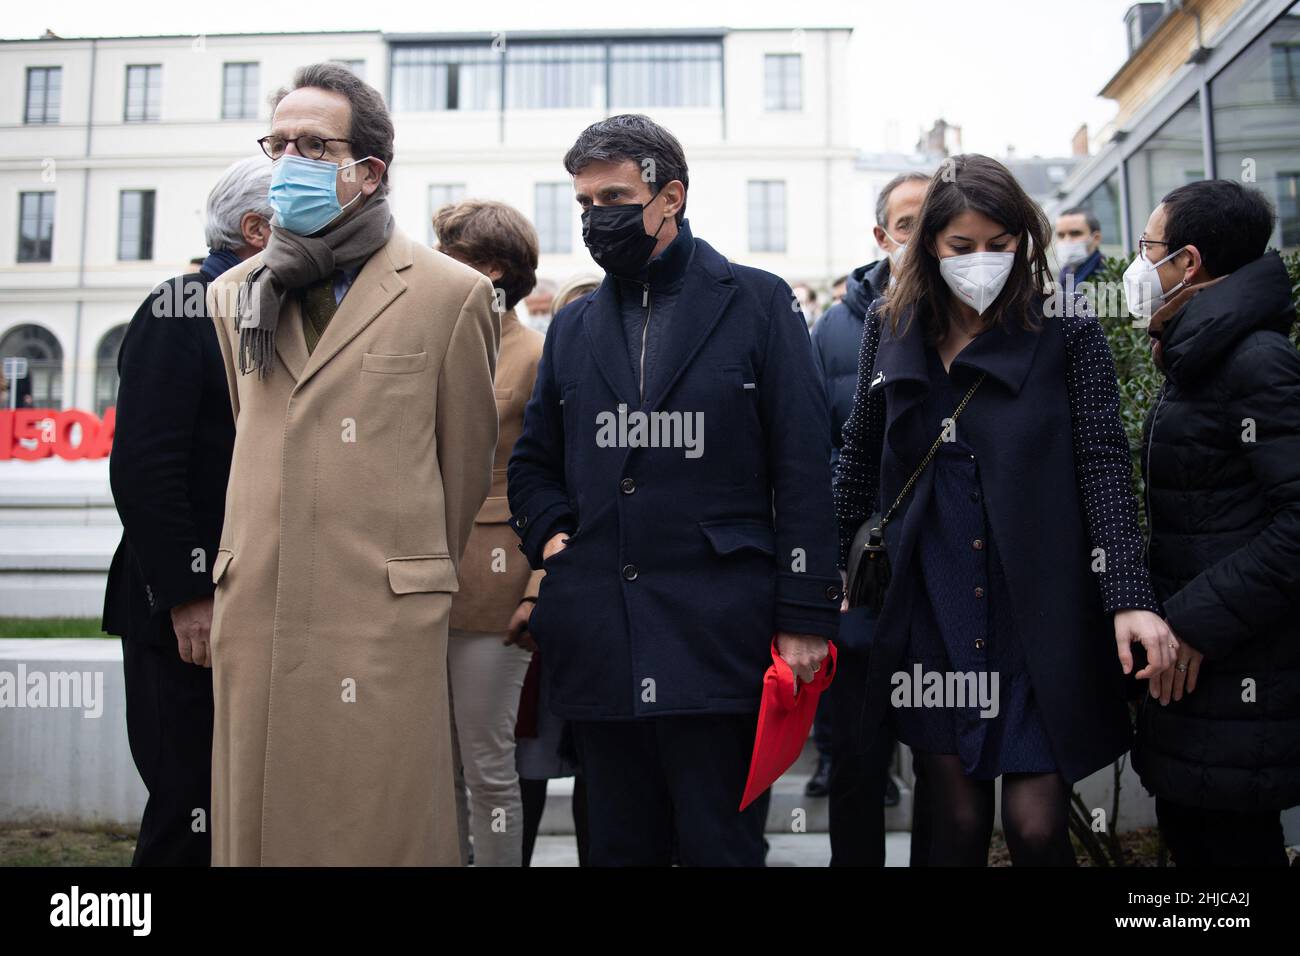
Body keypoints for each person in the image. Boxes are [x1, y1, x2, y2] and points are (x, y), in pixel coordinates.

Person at [508, 113, 841, 866]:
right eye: (586, 203)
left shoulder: (759, 303)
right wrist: (558, 539)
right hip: (601, 635)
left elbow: (802, 464)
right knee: (617, 849)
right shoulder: (574, 324)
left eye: (615, 196)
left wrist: (805, 611)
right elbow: (532, 464)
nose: (599, 217)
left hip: (720, 633)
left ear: (671, 196)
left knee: (720, 847)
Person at [834, 154, 1176, 867]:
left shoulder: (1066, 328)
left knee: (1036, 826)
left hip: (1038, 606)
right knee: (953, 822)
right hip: (931, 600)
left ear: (1025, 239)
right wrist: (824, 579)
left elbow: (1103, 464)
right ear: (929, 243)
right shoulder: (889, 325)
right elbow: (860, 458)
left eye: (1001, 242)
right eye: (963, 246)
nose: (983, 260)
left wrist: (1128, 598)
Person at [204, 62, 500, 866]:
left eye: (314, 144)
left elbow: (464, 466)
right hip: (259, 607)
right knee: (259, 826)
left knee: (379, 824)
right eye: (280, 143)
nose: (290, 161)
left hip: (380, 614)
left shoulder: (452, 295)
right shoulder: (235, 295)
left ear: (367, 171)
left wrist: (406, 568)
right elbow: (254, 435)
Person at [103, 156, 271, 866]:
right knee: (189, 808)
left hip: (252, 604)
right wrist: (187, 596)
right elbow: (145, 467)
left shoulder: (266, 310)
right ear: (257, 229)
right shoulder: (181, 307)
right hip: (184, 614)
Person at [1128, 180, 1300, 867]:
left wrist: (1194, 622)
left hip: (1232, 665)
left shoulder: (1254, 359)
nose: (1139, 265)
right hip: (1198, 668)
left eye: (1148, 248)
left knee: (1228, 846)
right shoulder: (1198, 351)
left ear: (1188, 261)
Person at [810, 170, 929, 864]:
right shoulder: (833, 328)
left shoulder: (980, 323)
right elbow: (812, 448)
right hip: (862, 575)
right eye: (906, 224)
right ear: (882, 236)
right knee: (857, 757)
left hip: (947, 572)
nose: (921, 237)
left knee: (945, 764)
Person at [431, 198, 544, 867]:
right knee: (428, 766)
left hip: (492, 594)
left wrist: (536, 587)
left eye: (451, 251)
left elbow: (558, 486)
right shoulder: (430, 342)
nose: (434, 263)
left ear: (492, 268)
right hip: (416, 586)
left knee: (487, 763)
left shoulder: (534, 354)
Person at [514, 272, 601, 867]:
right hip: (557, 594)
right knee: (536, 754)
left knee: (599, 764)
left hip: (600, 599)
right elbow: (531, 476)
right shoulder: (553, 393)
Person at [1053, 207, 1104, 287]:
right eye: (1061, 235)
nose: (1067, 240)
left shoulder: (1105, 274)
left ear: (1096, 238)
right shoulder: (1066, 271)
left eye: (1075, 233)